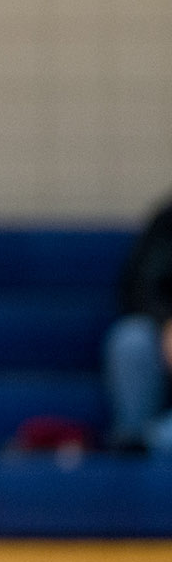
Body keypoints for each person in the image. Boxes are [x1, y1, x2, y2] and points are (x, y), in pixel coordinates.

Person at [104, 192, 172, 454]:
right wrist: (166, 323)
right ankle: (132, 442)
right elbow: (140, 285)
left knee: (164, 438)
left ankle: (147, 444)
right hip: (163, 328)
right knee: (131, 339)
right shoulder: (167, 221)